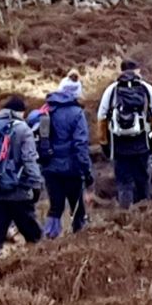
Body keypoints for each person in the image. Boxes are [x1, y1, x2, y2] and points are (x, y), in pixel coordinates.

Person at [0, 95, 44, 259]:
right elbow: (29, 160)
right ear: (20, 112)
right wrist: (36, 185)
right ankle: (38, 269)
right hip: (18, 193)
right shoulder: (22, 129)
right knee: (34, 235)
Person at [29, 74, 93, 238]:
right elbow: (80, 145)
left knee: (55, 207)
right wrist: (86, 172)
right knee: (77, 208)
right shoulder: (77, 113)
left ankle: (49, 240)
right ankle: (80, 242)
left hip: (50, 167)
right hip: (72, 169)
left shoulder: (47, 110)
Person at [96, 59, 152, 208]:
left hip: (119, 146)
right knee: (142, 181)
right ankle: (143, 216)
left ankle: (124, 217)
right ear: (136, 70)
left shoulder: (112, 90)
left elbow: (101, 118)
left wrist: (104, 143)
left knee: (124, 183)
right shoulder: (146, 88)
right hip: (142, 144)